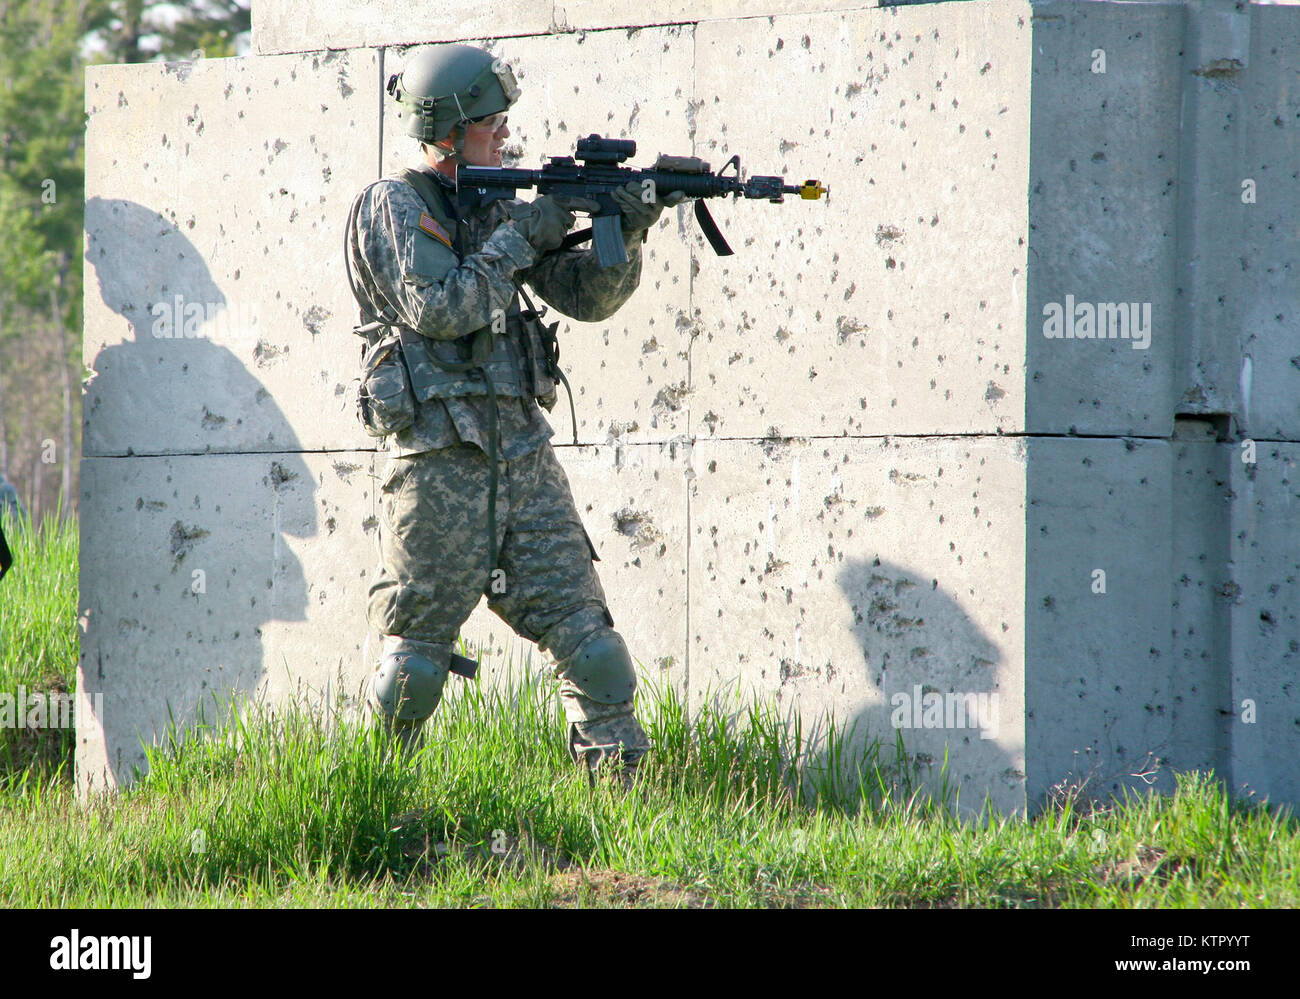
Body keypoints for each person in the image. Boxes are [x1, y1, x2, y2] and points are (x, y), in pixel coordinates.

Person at [345, 44, 680, 784]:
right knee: (413, 666)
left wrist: (628, 225)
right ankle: (374, 804)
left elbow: (586, 296)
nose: (504, 135)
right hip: (438, 466)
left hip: (522, 458)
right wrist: (528, 229)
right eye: (491, 124)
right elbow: (442, 306)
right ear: (447, 129)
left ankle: (624, 805)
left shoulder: (496, 208)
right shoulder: (391, 206)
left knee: (591, 645)